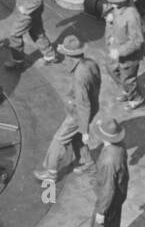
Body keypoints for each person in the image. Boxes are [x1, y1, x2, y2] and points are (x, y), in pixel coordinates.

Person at [32, 35, 101, 183]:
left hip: (79, 114)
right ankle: (88, 164)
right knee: (75, 138)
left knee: (59, 140)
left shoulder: (80, 75)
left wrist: (84, 129)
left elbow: (83, 103)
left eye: (65, 56)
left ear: (70, 56)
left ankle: (51, 172)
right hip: (90, 108)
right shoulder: (91, 64)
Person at [91, 118, 130, 227]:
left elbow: (108, 189)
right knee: (112, 221)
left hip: (110, 198)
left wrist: (101, 212)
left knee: (98, 225)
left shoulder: (109, 160)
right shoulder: (119, 146)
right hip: (119, 192)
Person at [103, 0, 145, 110]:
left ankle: (136, 98)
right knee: (111, 68)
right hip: (115, 47)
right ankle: (127, 91)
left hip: (128, 55)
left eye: (113, 1)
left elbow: (137, 41)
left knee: (128, 79)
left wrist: (119, 52)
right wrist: (111, 21)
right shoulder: (118, 8)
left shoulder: (132, 15)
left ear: (122, 0)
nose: (110, 3)